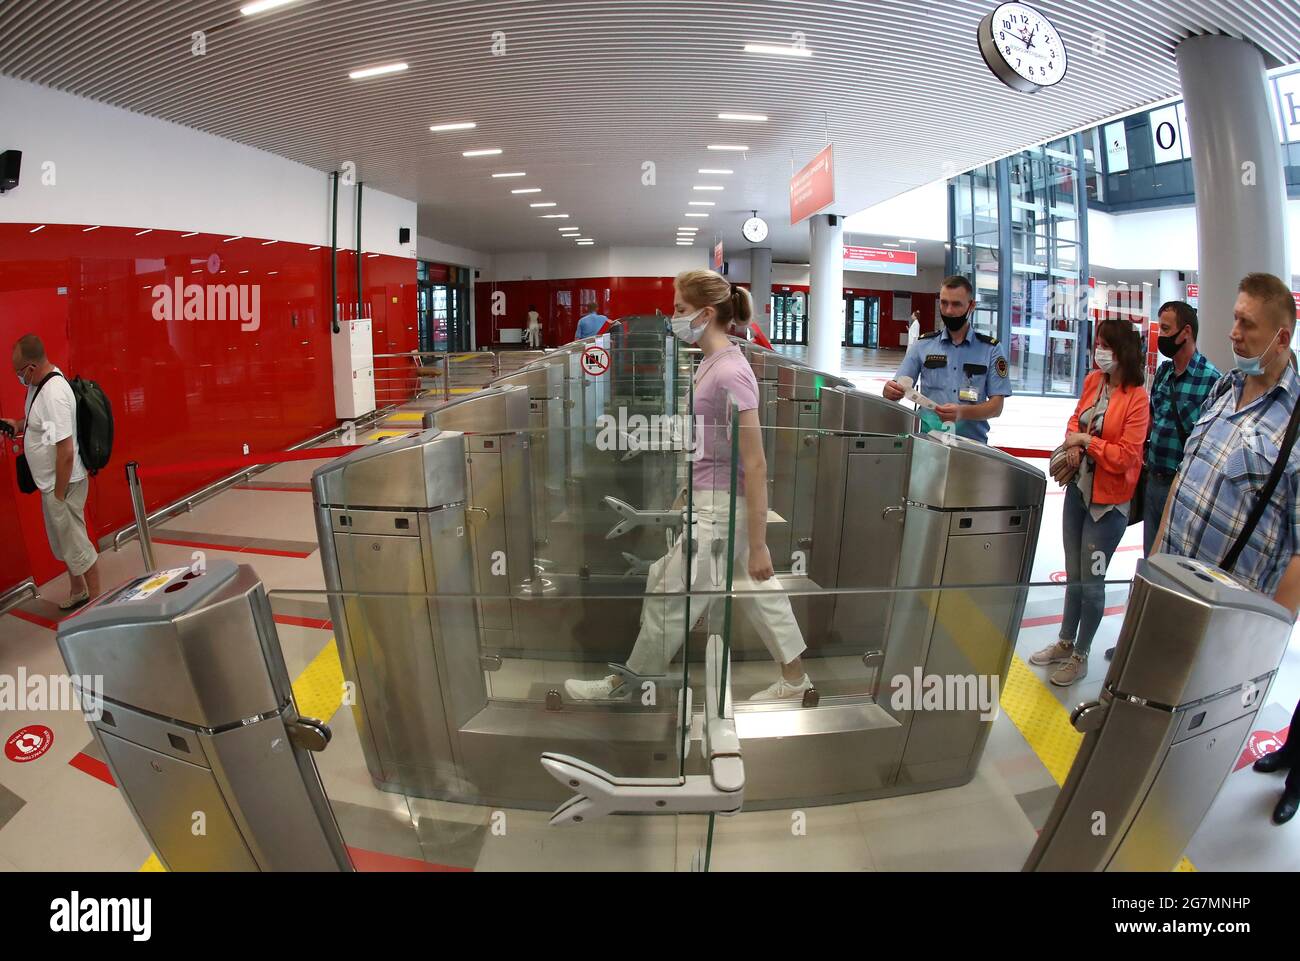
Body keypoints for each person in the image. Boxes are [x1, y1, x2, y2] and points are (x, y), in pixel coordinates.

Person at [566, 269, 810, 701]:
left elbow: (754, 463)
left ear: (706, 312)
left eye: (680, 309)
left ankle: (627, 683)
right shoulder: (710, 365)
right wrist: (688, 490)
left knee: (669, 595)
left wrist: (757, 543)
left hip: (720, 514)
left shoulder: (731, 372)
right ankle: (795, 680)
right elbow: (709, 442)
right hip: (711, 503)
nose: (673, 318)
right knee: (759, 592)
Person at [1151, 272, 1300, 824]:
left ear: (1281, 336)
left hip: (1225, 618)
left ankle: (1174, 816)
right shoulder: (1223, 386)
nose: (1232, 331)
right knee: (1156, 705)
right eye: (1234, 317)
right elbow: (1187, 476)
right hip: (1172, 588)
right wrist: (1154, 560)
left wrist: (1265, 640)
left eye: (1247, 323)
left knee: (1199, 728)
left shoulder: (1297, 423)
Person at [1030, 319, 1149, 687]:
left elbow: (1126, 457)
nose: (1098, 352)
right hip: (1078, 493)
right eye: (1097, 344)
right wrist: (1075, 442)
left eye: (1105, 345)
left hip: (1108, 506)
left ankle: (1081, 654)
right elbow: (1074, 419)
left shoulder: (1138, 398)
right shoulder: (1092, 381)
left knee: (1092, 582)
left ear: (1123, 351)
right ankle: (1065, 640)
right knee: (1075, 575)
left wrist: (1087, 442)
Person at [4, 335, 102, 609]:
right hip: (53, 484)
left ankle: (97, 603)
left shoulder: (54, 393)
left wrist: (59, 494)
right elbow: (39, 424)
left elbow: (66, 450)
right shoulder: (38, 386)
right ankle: (79, 589)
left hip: (65, 484)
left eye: (19, 372)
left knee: (78, 545)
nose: (19, 378)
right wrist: (16, 424)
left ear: (31, 368)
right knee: (65, 542)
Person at [883, 275, 1012, 443]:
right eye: (944, 303)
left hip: (972, 447)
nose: (949, 311)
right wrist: (890, 392)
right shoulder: (922, 345)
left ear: (971, 306)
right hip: (928, 444)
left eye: (956, 304)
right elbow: (898, 387)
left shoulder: (991, 349)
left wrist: (962, 412)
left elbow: (996, 407)